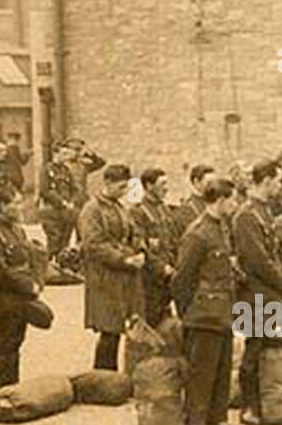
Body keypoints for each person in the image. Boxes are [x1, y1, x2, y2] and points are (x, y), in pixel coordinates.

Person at [172, 177, 241, 425]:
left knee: (222, 366)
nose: (235, 204)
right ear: (221, 200)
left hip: (222, 309)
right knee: (202, 369)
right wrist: (188, 311)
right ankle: (196, 422)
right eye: (232, 199)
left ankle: (218, 417)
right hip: (203, 312)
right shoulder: (198, 233)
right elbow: (182, 278)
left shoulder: (220, 228)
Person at [232, 159, 282, 425]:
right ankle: (249, 406)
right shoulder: (247, 215)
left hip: (270, 292)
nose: (281, 187)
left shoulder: (265, 211)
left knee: (268, 346)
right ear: (266, 180)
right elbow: (256, 258)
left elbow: (280, 249)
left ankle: (269, 402)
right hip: (254, 292)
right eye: (279, 181)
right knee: (253, 349)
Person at [79, 164, 144, 370]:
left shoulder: (119, 207)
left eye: (126, 187)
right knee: (109, 330)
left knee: (118, 328)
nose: (123, 191)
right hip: (103, 277)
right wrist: (123, 259)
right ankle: (103, 377)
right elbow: (93, 244)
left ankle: (111, 379)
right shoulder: (92, 210)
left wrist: (139, 250)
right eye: (120, 186)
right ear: (107, 182)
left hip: (122, 275)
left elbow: (133, 231)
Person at [0, 184, 41, 390]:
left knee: (15, 344)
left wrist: (36, 282)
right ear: (3, 206)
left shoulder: (17, 230)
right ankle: (0, 393)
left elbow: (28, 260)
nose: (20, 207)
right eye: (16, 203)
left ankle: (13, 389)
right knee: (2, 346)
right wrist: (28, 285)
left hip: (18, 299)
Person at [134, 167, 178, 327]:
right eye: (162, 183)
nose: (166, 188)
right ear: (149, 185)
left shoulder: (165, 210)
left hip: (167, 281)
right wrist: (162, 268)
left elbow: (174, 242)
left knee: (166, 327)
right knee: (148, 327)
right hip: (150, 282)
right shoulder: (138, 213)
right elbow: (141, 248)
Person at [38, 140, 77, 260]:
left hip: (66, 211)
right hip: (51, 211)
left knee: (64, 241)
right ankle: (50, 267)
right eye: (64, 154)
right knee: (54, 240)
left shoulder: (66, 170)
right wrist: (62, 202)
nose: (66, 157)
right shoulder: (46, 170)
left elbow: (74, 188)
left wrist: (72, 201)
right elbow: (45, 191)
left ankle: (62, 267)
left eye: (67, 154)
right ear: (56, 154)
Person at [171, 164, 215, 238]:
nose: (213, 187)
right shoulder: (185, 210)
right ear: (196, 182)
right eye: (209, 183)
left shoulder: (215, 203)